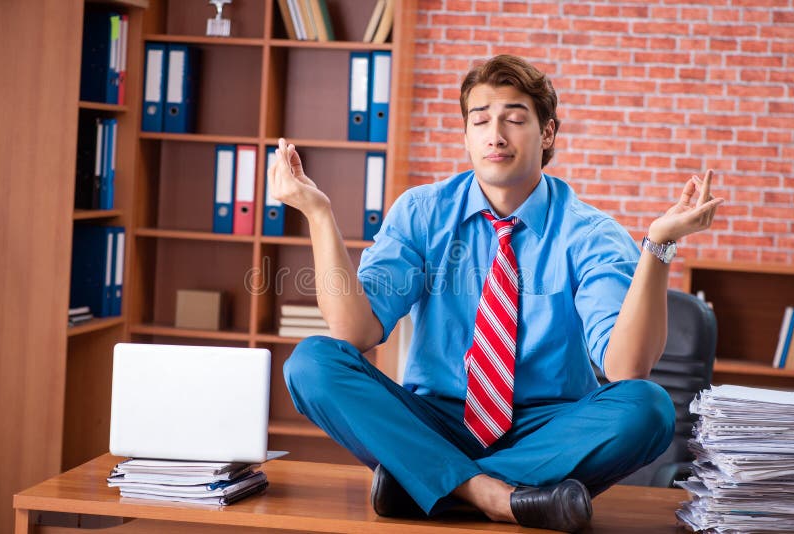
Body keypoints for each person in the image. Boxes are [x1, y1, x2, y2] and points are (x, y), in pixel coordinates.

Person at [268, 54, 723, 532]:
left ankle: (430, 485)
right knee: (312, 361)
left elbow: (625, 368)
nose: (495, 135)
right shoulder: (422, 213)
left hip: (550, 430)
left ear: (547, 133)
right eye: (480, 120)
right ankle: (497, 496)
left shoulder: (591, 233)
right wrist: (318, 214)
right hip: (435, 422)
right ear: (465, 134)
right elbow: (354, 331)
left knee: (647, 408)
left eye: (514, 119)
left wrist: (659, 245)